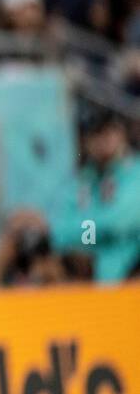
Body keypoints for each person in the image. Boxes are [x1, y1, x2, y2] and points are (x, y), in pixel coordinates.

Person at [53, 109, 140, 282]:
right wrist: (88, 240)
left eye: (109, 131)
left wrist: (86, 234)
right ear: (85, 141)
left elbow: (120, 222)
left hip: (127, 262)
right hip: (87, 262)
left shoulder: (135, 172)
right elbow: (58, 231)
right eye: (95, 133)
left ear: (122, 135)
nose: (103, 140)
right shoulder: (83, 179)